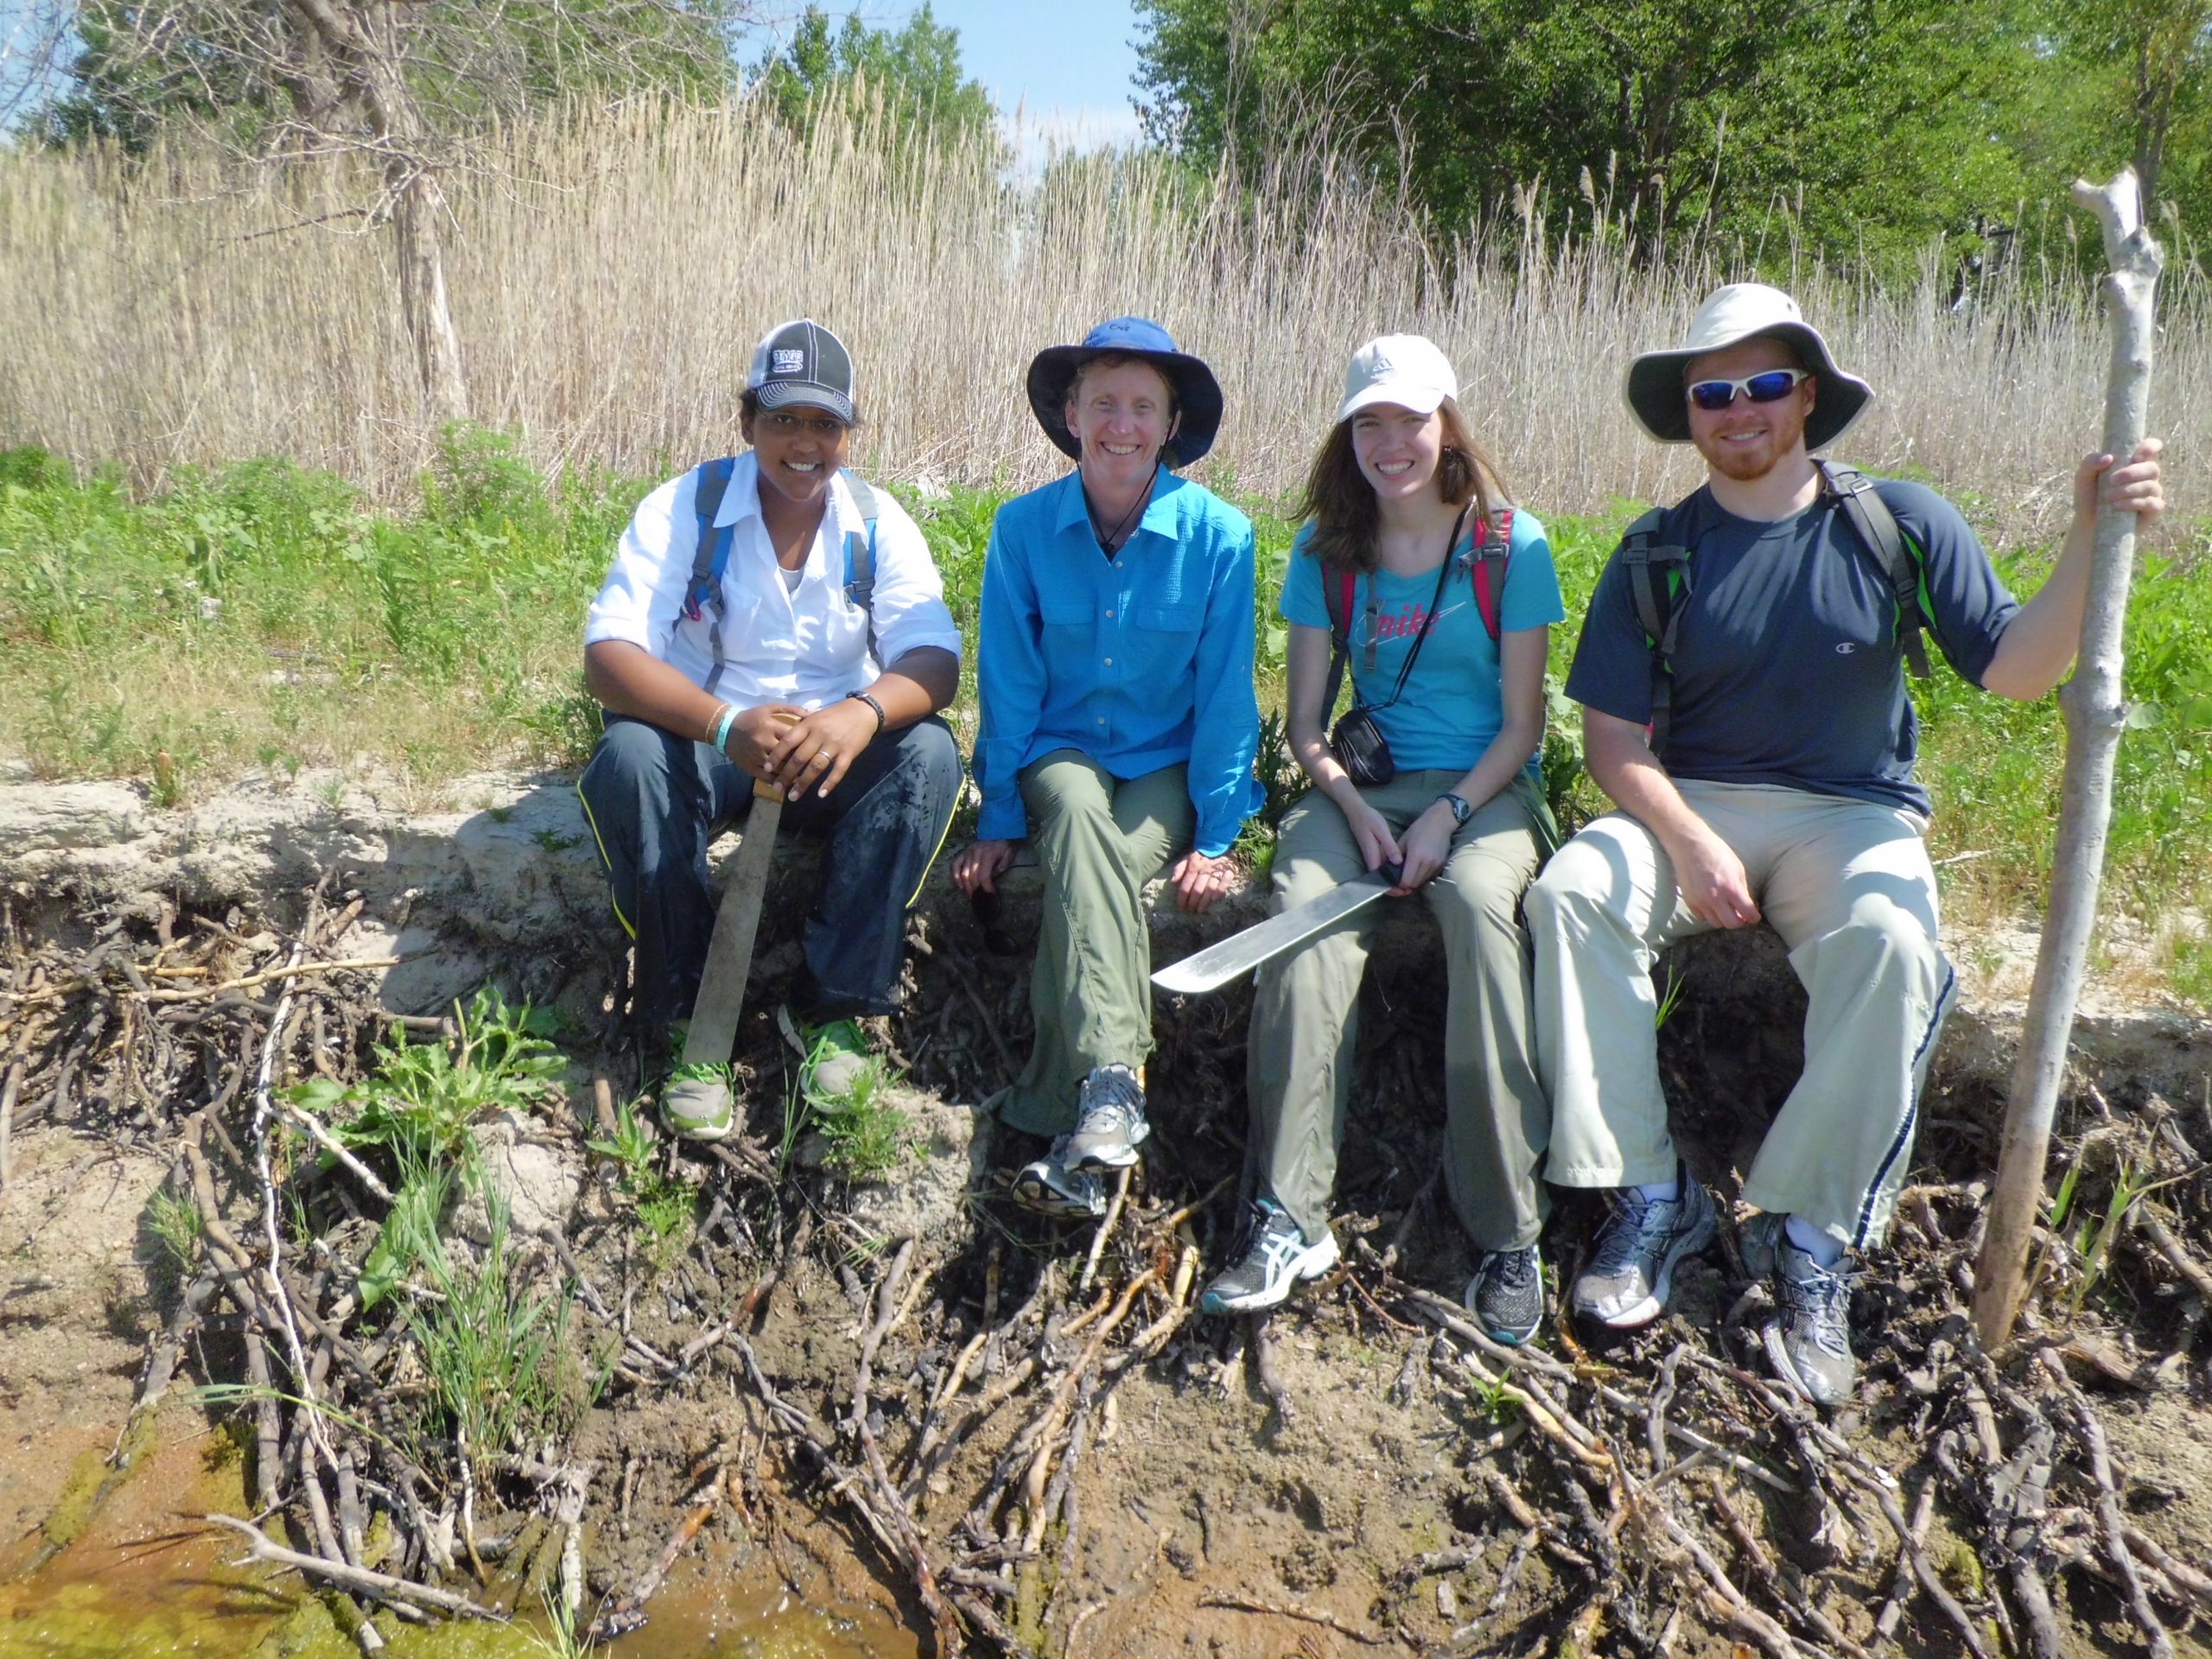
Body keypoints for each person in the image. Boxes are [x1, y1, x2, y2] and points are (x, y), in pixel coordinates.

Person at [1528, 283, 2164, 1403]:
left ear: (1807, 397)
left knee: (1896, 947)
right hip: (1691, 804)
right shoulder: (1656, 551)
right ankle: (1647, 1198)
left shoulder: (1897, 522)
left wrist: (2089, 534)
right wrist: (1682, 840)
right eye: (1712, 392)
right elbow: (1615, 742)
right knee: (1570, 891)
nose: (1739, 410)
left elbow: (2019, 669)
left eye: (1764, 385)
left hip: (1852, 814)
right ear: (1691, 413)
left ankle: (1809, 1236)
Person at [1198, 335, 1565, 1343]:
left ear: (1446, 423)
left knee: (1483, 916)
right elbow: (1307, 727)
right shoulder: (1326, 550)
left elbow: (1522, 727)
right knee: (1299, 920)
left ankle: (1506, 1229)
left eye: (1408, 419)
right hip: (1359, 792)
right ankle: (1287, 1214)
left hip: (1483, 790)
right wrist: (1352, 810)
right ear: (1346, 435)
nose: (1389, 442)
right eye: (1368, 422)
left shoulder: (1508, 545)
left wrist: (1448, 818)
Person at [578, 319, 963, 1141]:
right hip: (709, 741)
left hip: (832, 750)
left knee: (927, 753)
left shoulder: (875, 520)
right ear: (746, 420)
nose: (803, 443)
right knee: (630, 755)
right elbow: (609, 659)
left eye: (825, 424)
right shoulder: (687, 505)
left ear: (848, 436)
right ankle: (685, 1021)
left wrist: (858, 714)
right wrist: (725, 725)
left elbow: (935, 662)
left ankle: (830, 1014)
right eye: (785, 419)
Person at [950, 316, 1262, 1217]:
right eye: (1101, 405)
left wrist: (1215, 833)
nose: (1120, 425)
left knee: (1104, 875)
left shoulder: (1221, 538)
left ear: (1170, 426)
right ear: (1070, 415)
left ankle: (1064, 1123)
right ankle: (1117, 1082)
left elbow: (1225, 693)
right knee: (1081, 824)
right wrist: (1002, 818)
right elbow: (1007, 682)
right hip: (1060, 753)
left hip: (1167, 757)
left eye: (1141, 408)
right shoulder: (1021, 531)